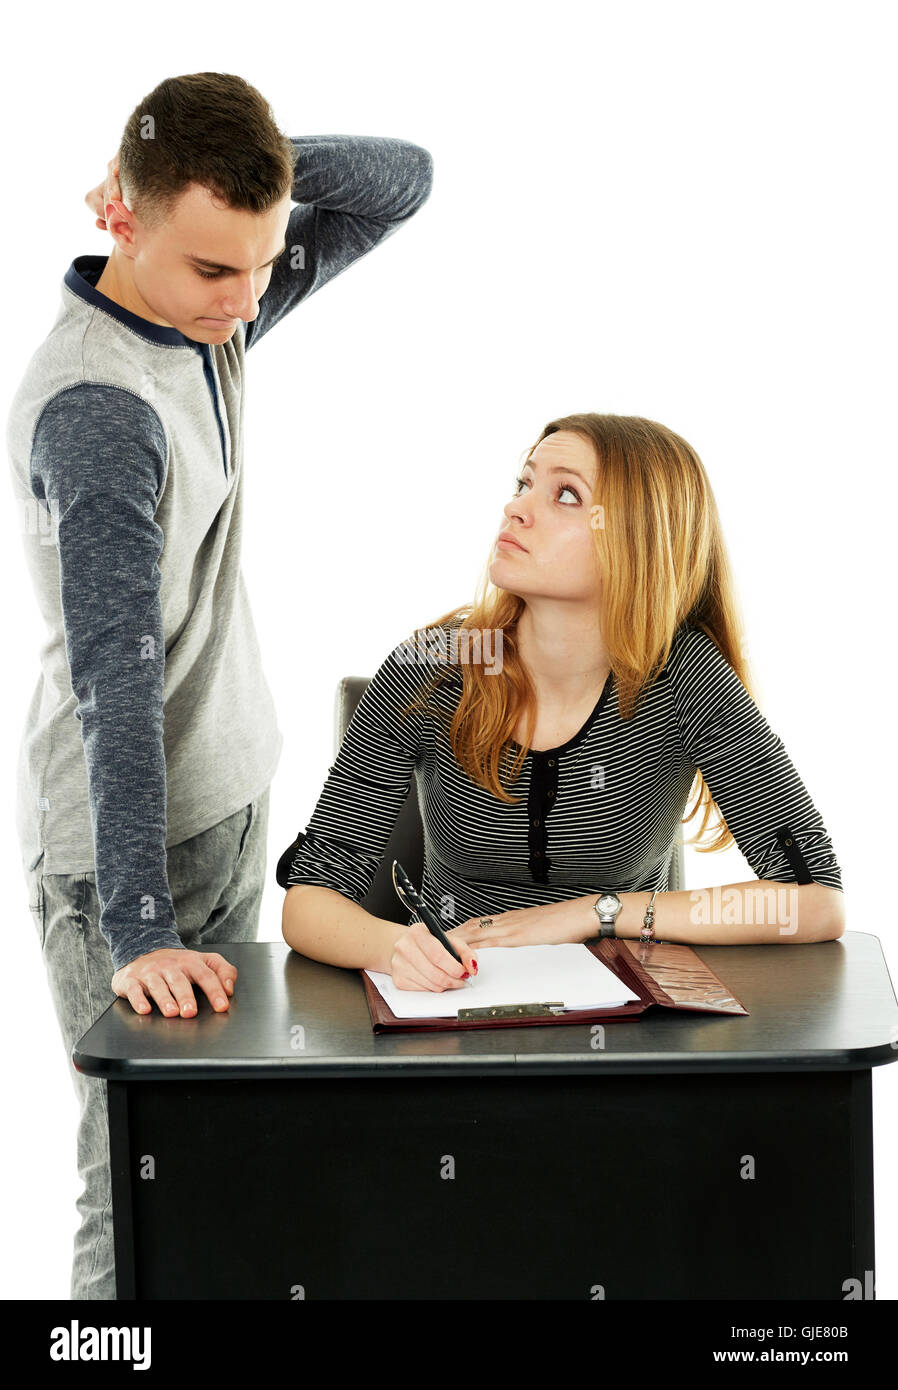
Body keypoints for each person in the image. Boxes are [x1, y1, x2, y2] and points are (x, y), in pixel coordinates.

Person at [7, 71, 433, 1300]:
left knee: (225, 1146)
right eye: (214, 269)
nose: (248, 299)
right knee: (134, 1170)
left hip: (224, 803)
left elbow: (402, 185)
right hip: (119, 855)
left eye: (258, 263)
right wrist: (138, 926)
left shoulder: (207, 311)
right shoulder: (99, 408)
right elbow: (115, 682)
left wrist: (258, 164)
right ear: (123, 222)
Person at [279, 414, 845, 988]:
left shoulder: (679, 674)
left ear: (638, 537)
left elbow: (813, 900)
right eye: (524, 484)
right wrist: (396, 945)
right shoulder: (436, 663)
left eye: (566, 495)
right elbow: (307, 902)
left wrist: (596, 914)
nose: (516, 508)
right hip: (458, 1004)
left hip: (625, 1019)